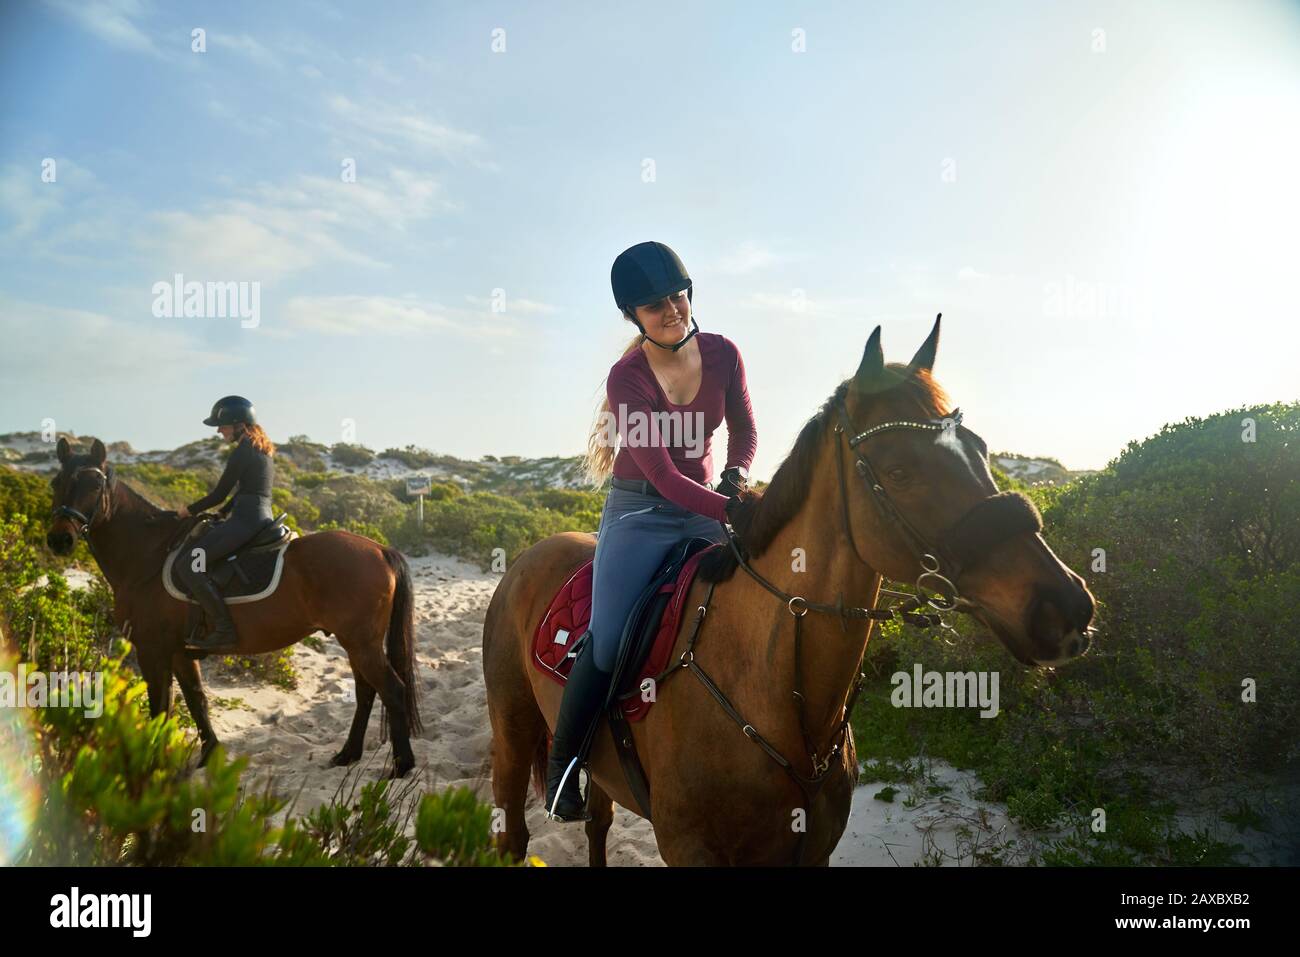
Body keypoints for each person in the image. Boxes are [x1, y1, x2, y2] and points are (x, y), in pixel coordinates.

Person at [545, 241, 758, 821]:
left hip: (709, 504)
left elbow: (744, 430)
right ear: (632, 316)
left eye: (677, 296)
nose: (671, 310)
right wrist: (730, 511)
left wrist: (737, 477)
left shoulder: (723, 353)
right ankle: (563, 766)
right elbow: (663, 476)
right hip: (640, 514)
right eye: (654, 305)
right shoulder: (627, 379)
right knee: (609, 637)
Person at [176, 395, 277, 652]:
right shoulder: (261, 448)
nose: (219, 431)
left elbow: (219, 493)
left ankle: (224, 629)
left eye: (222, 426)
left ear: (238, 424)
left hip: (245, 521)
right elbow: (246, 490)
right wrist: (223, 513)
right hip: (258, 515)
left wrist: (188, 510)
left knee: (189, 564)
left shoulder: (243, 450)